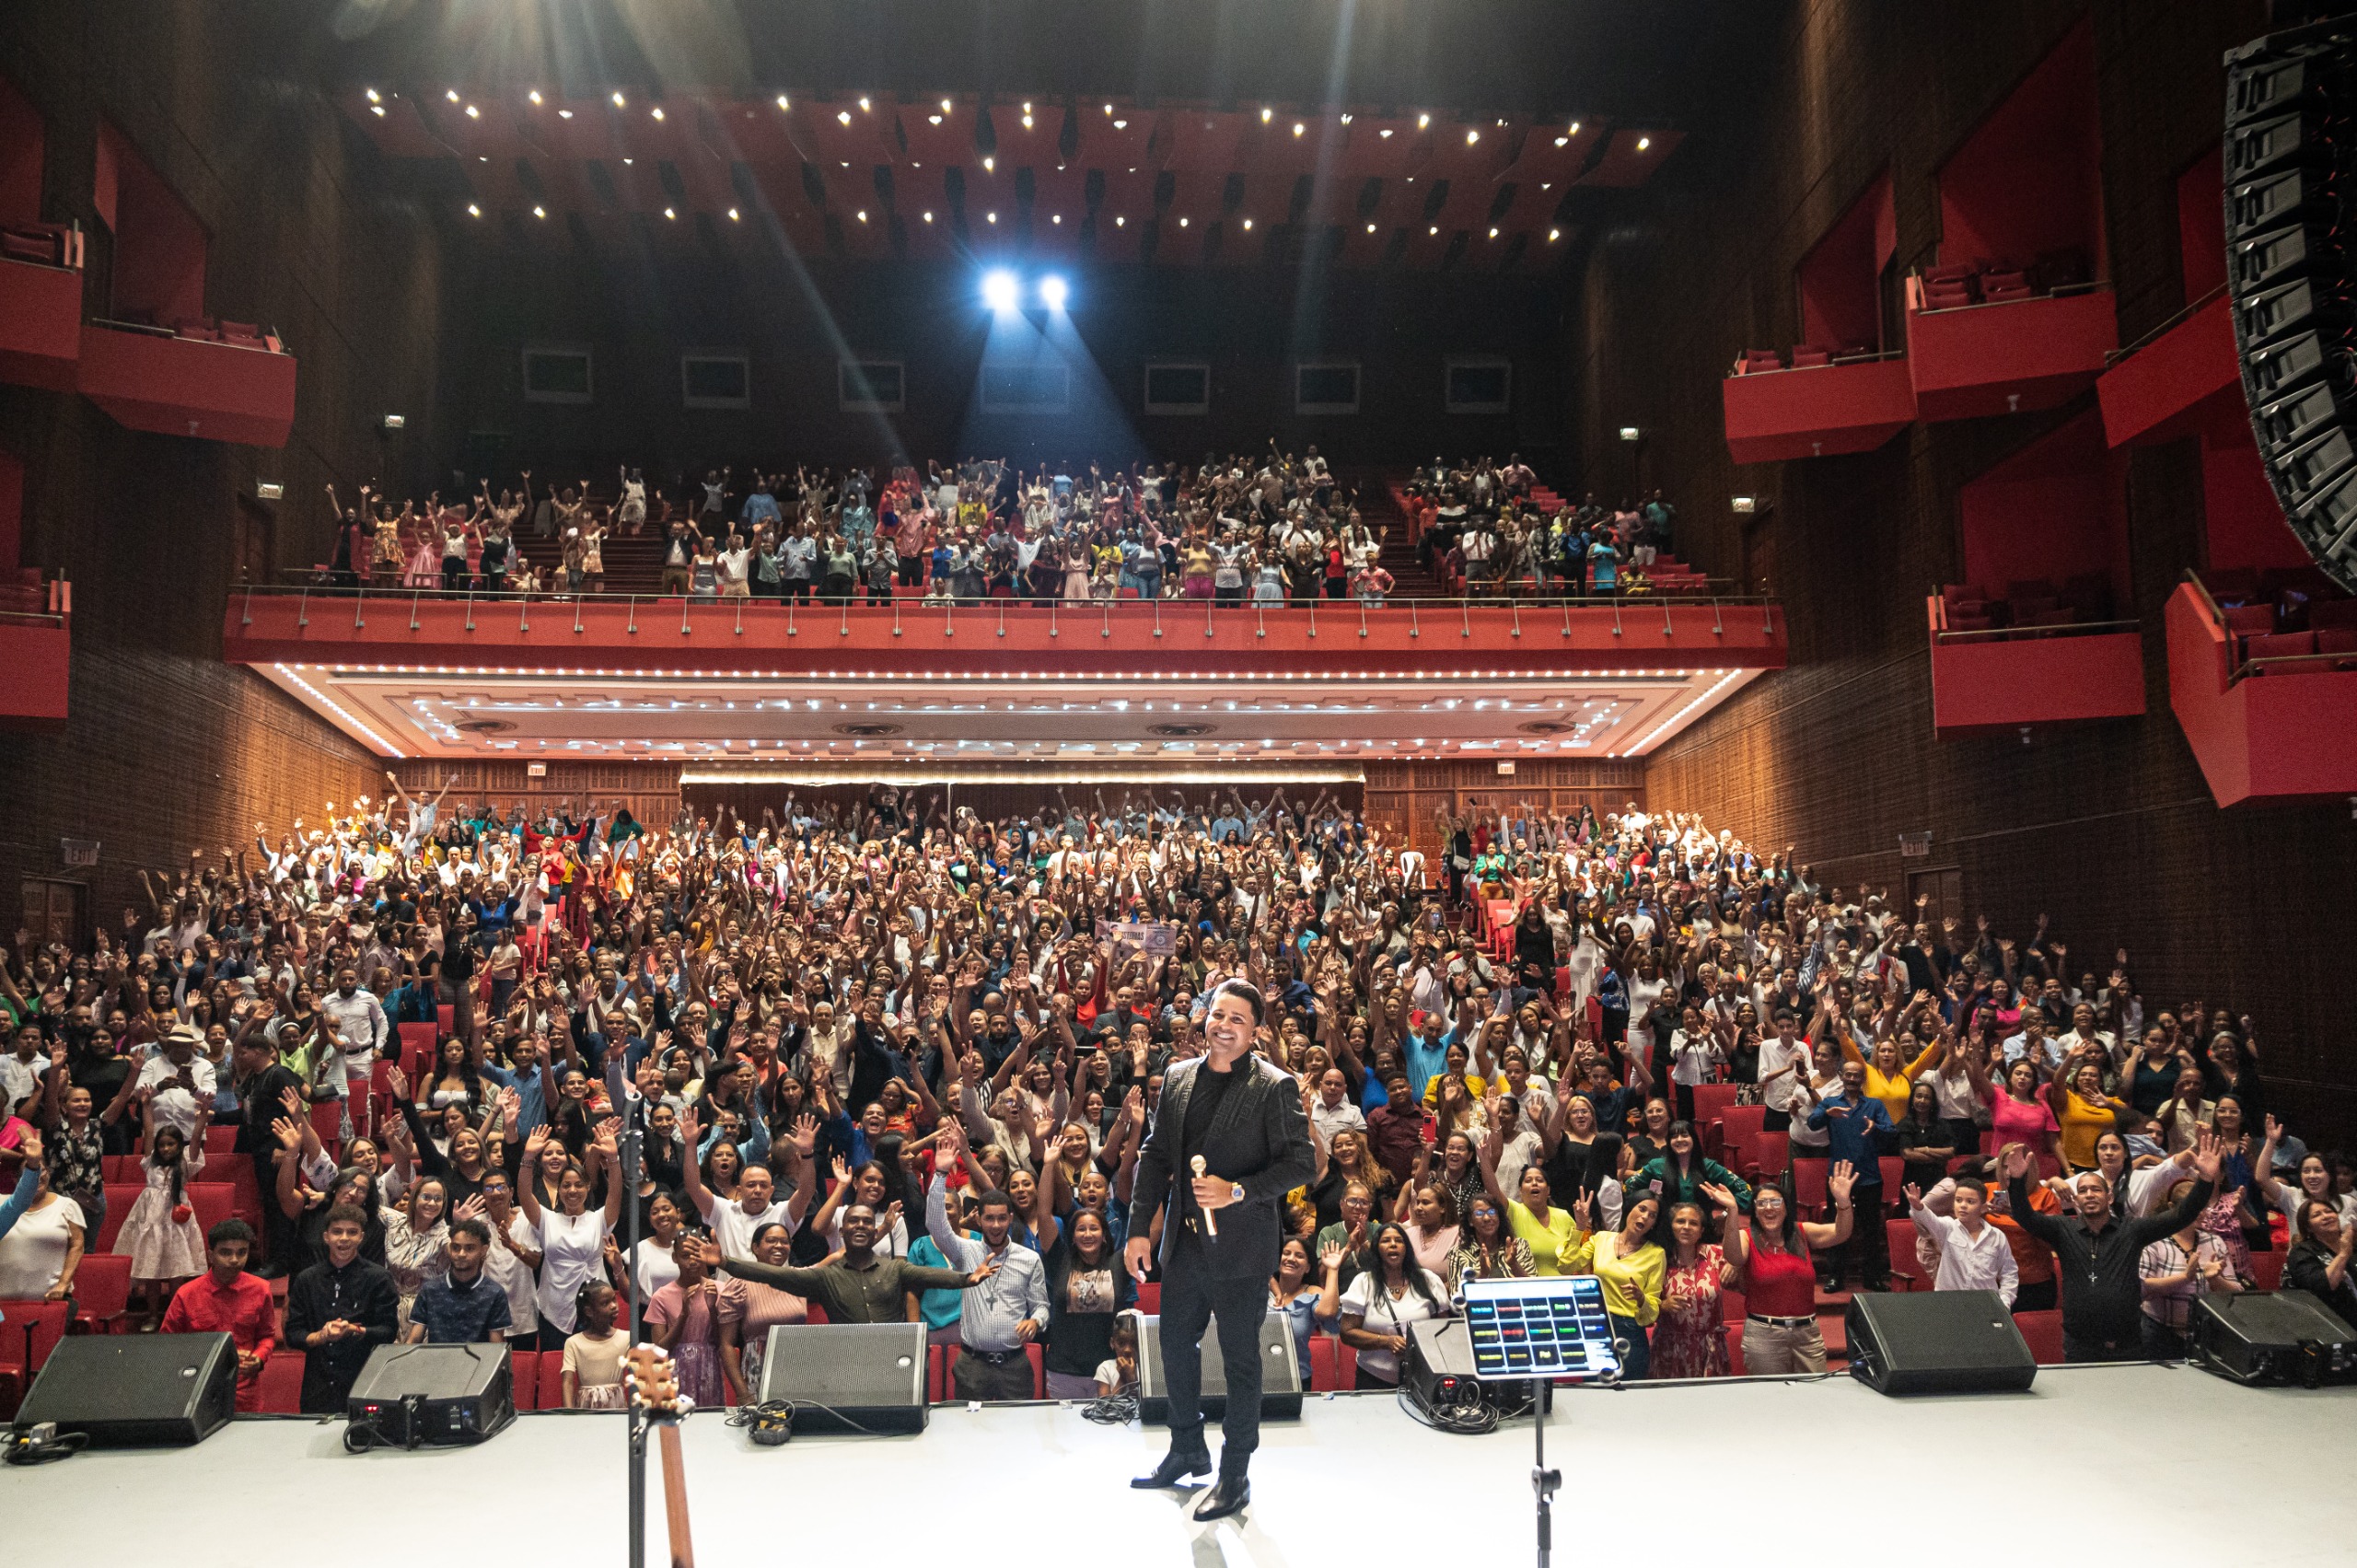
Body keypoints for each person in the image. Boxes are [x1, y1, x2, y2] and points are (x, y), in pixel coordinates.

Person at [1123, 978, 1315, 1522]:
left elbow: (1302, 1163)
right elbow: (1157, 1156)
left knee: (1240, 1361)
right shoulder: (1180, 1077)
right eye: (1218, 1015)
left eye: (1238, 1020)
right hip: (1184, 1245)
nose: (1224, 1026)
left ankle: (1235, 1474)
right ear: (1204, 1017)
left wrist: (1238, 1191)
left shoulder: (1274, 1085)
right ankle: (1186, 1447)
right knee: (1175, 1347)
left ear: (1255, 1032)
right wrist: (1140, 1229)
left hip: (1242, 1249)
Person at [2002, 1132, 2223, 1362]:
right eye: (2083, 1191)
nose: (2089, 1195)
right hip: (2080, 1345)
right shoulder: (2062, 1229)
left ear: (2108, 1197)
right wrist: (2017, 1182)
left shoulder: (2132, 1231)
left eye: (2096, 1190)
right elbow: (2025, 1216)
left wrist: (2205, 1182)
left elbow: (2181, 1215)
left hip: (2128, 1344)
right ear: (2076, 1201)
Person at [923, 1137, 1051, 1401]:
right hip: (973, 1364)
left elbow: (1041, 1305)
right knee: (969, 1435)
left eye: (1001, 1218)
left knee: (1018, 1433)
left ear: (1010, 1218)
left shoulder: (1029, 1258)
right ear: (979, 1219)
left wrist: (1035, 1320)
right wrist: (940, 1174)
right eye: (989, 1218)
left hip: (1015, 1364)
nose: (995, 1225)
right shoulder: (965, 1251)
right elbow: (936, 1226)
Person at [1725, 1165, 1857, 1375]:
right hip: (1764, 1335)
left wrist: (1843, 1202)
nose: (1769, 1208)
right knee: (1772, 1400)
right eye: (1762, 1203)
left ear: (1786, 1208)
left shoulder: (1801, 1232)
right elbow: (1733, 1256)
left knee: (1814, 1396)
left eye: (1776, 1202)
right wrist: (1732, 1212)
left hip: (1807, 1334)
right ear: (1755, 1211)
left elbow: (1840, 1233)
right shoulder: (1746, 1237)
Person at [281, 1203, 400, 1413]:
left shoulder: (379, 1278)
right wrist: (321, 1336)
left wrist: (353, 1330)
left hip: (363, 1382)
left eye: (352, 1232)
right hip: (317, 1385)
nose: (344, 1238)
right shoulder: (307, 1279)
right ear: (326, 1237)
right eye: (337, 1232)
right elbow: (293, 1334)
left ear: (361, 1237)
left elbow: (388, 1332)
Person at [159, 1219, 277, 1411]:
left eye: (242, 1252)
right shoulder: (187, 1294)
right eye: (225, 1252)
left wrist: (258, 1358)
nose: (234, 1260)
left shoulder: (260, 1289)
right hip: (197, 1392)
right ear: (210, 1255)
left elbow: (267, 1336)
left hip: (246, 1395)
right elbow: (167, 1345)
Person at [1335, 1221, 1452, 1388]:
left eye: (1398, 1241)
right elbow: (1347, 1333)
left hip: (1420, 1375)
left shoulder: (1428, 1280)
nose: (1393, 1245)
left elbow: (1443, 1329)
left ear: (1406, 1248)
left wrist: (1417, 1348)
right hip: (1373, 1377)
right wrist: (1386, 1341)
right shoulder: (1364, 1282)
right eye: (1386, 1241)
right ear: (1377, 1248)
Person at [2137, 1179, 2242, 1357]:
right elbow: (2142, 1288)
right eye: (2193, 1206)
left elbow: (2237, 1292)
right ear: (2173, 1207)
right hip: (2158, 1333)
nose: (2200, 1212)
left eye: (2202, 1206)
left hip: (2203, 1334)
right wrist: (2184, 1278)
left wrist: (2216, 1279)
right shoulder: (2154, 1240)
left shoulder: (2214, 1242)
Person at [1567, 1193, 1665, 1378]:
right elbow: (1567, 1266)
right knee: (1594, 1392)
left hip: (1630, 1330)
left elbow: (1652, 1311)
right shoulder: (1602, 1238)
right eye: (1642, 1209)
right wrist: (1580, 1227)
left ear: (1654, 1224)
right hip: (1597, 1324)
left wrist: (1641, 1298)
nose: (1645, 1217)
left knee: (1631, 1397)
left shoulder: (1656, 1253)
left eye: (1652, 1215)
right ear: (1629, 1209)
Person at [1649, 1201, 1735, 1378]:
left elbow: (1742, 1256)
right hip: (1670, 1350)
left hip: (1710, 1350)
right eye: (1680, 1221)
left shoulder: (1715, 1254)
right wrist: (1662, 1305)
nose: (1686, 1227)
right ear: (1671, 1226)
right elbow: (1642, 1304)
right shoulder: (1658, 1258)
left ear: (1702, 1230)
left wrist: (1737, 1265)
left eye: (1693, 1223)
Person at [1905, 1176, 2018, 1306]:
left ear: (1982, 1207)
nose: (1963, 1206)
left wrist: (2004, 1302)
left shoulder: (1997, 1237)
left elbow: (2009, 1273)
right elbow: (1929, 1219)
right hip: (1948, 1305)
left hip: (1985, 1306)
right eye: (1958, 1200)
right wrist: (1918, 1206)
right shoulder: (1947, 1227)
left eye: (1970, 1202)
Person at [404, 1216, 512, 1345]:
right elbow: (414, 1339)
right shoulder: (430, 1289)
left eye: (470, 1248)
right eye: (456, 1247)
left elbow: (495, 1347)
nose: (461, 1254)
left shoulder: (494, 1293)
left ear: (483, 1250)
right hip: (437, 1362)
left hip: (478, 1363)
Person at [2284, 1198, 2357, 1325]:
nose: (2326, 1216)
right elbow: (2323, 1286)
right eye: (2317, 1215)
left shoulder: (2352, 1248)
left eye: (2329, 1211)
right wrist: (2343, 1254)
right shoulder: (2302, 1252)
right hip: (2331, 1322)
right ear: (2308, 1227)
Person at [562, 1282, 630, 1409]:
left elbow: (638, 1376)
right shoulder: (574, 1343)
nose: (614, 1306)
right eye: (605, 1303)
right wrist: (568, 1416)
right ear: (589, 1311)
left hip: (616, 1406)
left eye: (614, 1299)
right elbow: (568, 1383)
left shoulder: (626, 1338)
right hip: (586, 1406)